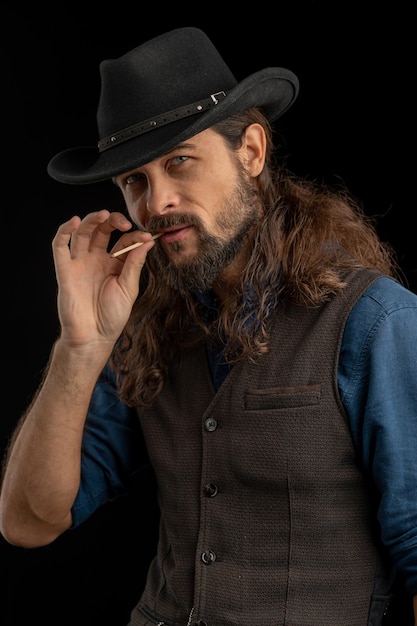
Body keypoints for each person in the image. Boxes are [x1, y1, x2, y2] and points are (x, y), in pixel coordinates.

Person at [0, 26, 416, 626]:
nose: (158, 201)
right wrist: (80, 346)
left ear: (251, 152)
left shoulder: (376, 323)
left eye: (180, 162)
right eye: (135, 181)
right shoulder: (144, 325)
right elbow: (29, 522)